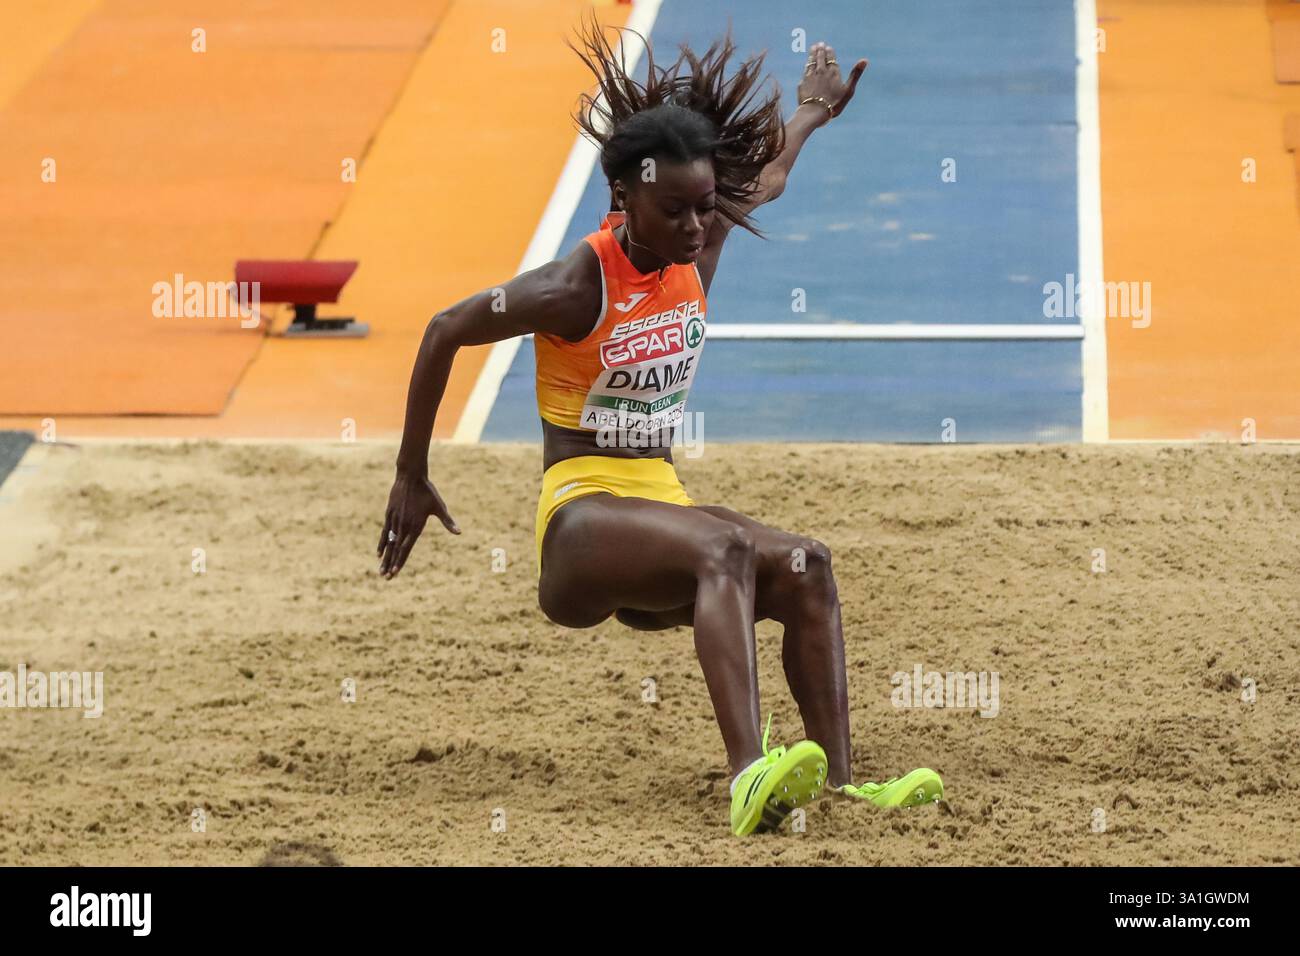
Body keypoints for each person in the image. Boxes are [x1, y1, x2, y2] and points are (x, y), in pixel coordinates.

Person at [378, 15, 942, 836]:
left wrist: (814, 111)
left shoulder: (697, 242)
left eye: (704, 208)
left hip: (658, 512)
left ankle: (843, 788)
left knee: (806, 565)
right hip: (578, 524)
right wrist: (411, 472)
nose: (693, 228)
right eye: (674, 210)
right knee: (726, 547)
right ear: (623, 198)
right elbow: (443, 328)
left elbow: (772, 173)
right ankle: (749, 775)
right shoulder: (575, 284)